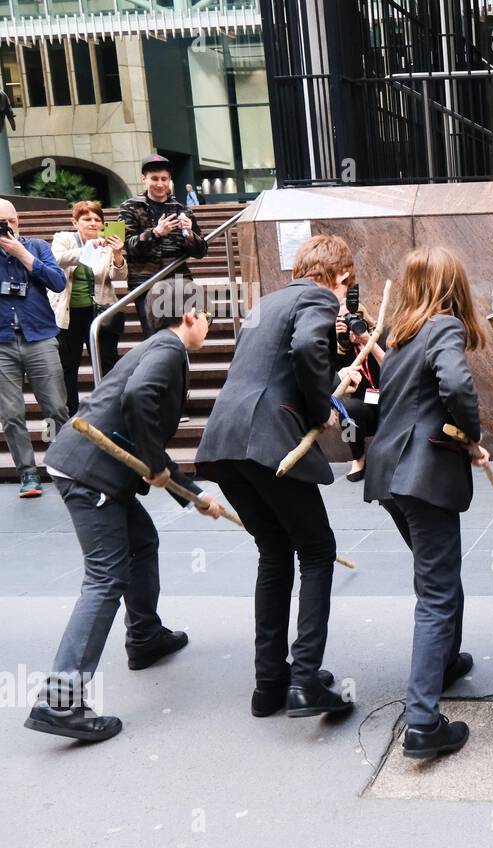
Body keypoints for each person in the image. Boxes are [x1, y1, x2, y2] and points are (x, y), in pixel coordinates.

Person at [26, 309, 224, 743]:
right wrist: (155, 465)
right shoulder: (168, 350)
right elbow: (138, 400)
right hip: (89, 472)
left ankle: (145, 636)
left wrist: (193, 495)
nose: (211, 324)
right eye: (208, 315)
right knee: (104, 578)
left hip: (95, 470)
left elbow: (142, 429)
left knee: (142, 541)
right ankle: (59, 701)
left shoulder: (159, 349)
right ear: (189, 315)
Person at [195, 234, 353, 721]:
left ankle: (269, 684)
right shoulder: (318, 296)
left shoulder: (266, 302)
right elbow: (306, 346)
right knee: (318, 551)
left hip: (225, 442)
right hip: (269, 441)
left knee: (274, 552)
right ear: (339, 276)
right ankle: (305, 678)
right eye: (348, 282)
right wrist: (319, 407)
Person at [363, 248, 485, 759]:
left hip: (391, 475)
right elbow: (456, 384)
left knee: (438, 575)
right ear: (452, 284)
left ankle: (445, 660)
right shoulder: (444, 327)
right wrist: (471, 436)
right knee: (435, 592)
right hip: (424, 474)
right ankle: (421, 722)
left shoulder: (400, 335)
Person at [0, 197, 68, 499]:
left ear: (18, 221)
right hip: (2, 342)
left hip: (39, 337)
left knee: (55, 407)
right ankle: (28, 474)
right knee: (11, 413)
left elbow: (57, 282)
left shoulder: (38, 247)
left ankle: (62, 466)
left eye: (10, 221)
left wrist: (23, 255)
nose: (6, 227)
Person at [50, 200, 128, 413]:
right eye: (87, 219)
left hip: (100, 312)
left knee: (107, 365)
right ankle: (71, 414)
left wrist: (118, 253)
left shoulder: (107, 244)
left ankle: (107, 411)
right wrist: (86, 249)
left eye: (97, 220)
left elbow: (118, 276)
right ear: (75, 222)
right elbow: (56, 260)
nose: (93, 224)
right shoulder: (64, 238)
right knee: (68, 366)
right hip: (68, 314)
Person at [119, 154, 207, 341]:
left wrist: (190, 233)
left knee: (185, 335)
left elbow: (201, 251)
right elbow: (128, 246)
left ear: (170, 181)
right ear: (144, 179)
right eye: (154, 179)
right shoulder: (129, 208)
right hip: (147, 283)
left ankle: (182, 370)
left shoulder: (182, 209)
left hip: (180, 280)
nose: (160, 184)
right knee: (156, 338)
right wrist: (156, 233)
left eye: (164, 179)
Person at [332, 298, 384, 482]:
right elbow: (332, 384)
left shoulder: (382, 336)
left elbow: (393, 367)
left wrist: (368, 342)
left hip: (392, 400)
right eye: (340, 319)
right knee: (348, 409)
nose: (347, 322)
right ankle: (357, 458)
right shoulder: (340, 349)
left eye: (350, 317)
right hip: (365, 406)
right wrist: (335, 340)